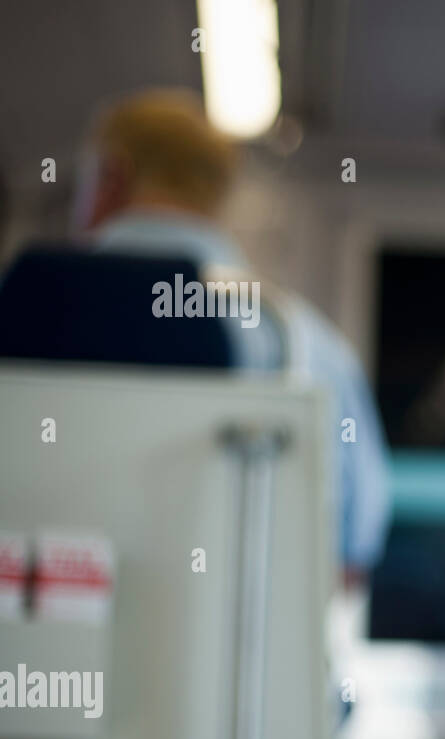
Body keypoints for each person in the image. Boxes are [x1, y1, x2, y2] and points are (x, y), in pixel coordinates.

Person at [73, 89, 391, 580]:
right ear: (218, 193)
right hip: (245, 644)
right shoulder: (300, 343)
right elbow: (352, 551)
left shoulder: (28, 310)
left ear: (111, 178)